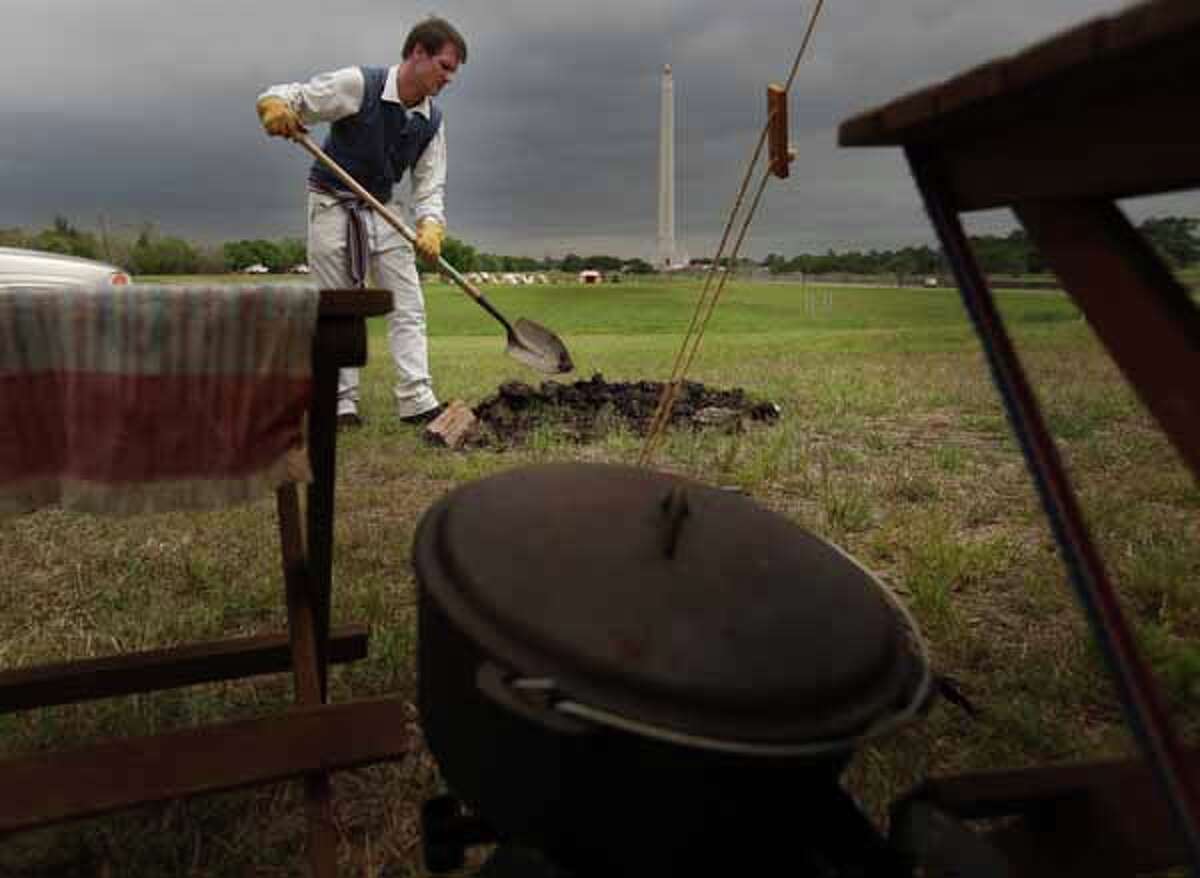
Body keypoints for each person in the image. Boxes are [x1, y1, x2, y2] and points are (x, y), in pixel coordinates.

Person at [255, 17, 468, 428]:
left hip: (383, 211)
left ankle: (416, 399)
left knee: (408, 305)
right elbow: (288, 96)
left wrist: (431, 226)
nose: (449, 78)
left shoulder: (432, 124)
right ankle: (340, 403)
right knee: (338, 306)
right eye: (445, 66)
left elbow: (429, 187)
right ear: (418, 53)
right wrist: (275, 107)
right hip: (332, 205)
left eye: (453, 71)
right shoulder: (358, 85)